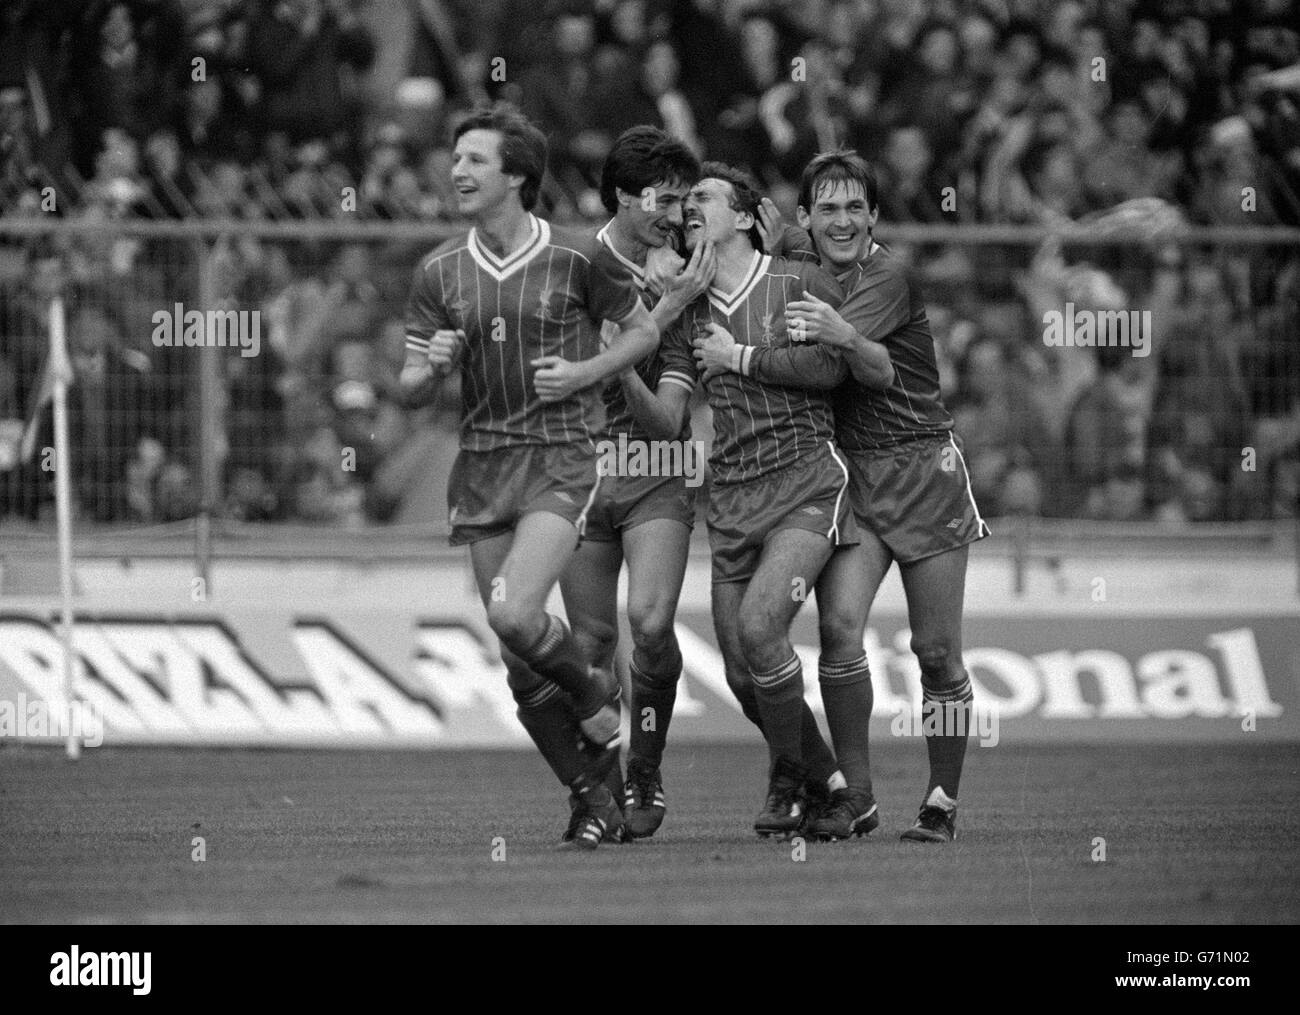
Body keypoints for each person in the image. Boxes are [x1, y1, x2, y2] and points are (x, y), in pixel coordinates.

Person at [698, 151, 988, 842]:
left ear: (876, 216)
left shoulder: (884, 274)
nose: (844, 219)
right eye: (827, 207)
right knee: (837, 630)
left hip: (924, 471)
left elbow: (845, 364)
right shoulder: (798, 271)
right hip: (853, 475)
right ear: (804, 216)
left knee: (936, 649)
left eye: (856, 206)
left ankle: (942, 798)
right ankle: (854, 795)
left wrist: (749, 351)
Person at [399, 106, 659, 850]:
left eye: (475, 160)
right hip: (482, 465)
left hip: (561, 456)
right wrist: (432, 367)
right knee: (517, 666)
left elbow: (642, 331)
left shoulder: (578, 257)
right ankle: (593, 797)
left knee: (515, 615)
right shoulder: (439, 271)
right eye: (455, 159)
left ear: (516, 174)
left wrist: (585, 370)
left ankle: (592, 689)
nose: (457, 171)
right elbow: (410, 380)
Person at [626, 161, 864, 838]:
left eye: (705, 199)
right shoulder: (688, 308)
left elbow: (832, 366)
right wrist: (619, 354)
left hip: (806, 485)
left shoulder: (796, 279)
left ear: (743, 217)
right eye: (688, 202)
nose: (690, 209)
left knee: (762, 628)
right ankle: (834, 790)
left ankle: (787, 783)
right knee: (739, 671)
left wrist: (741, 359)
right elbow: (668, 417)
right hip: (730, 498)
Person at [557, 125, 711, 840]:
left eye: (684, 200)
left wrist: (628, 346)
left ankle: (646, 764)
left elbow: (668, 422)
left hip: (655, 472)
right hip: (581, 473)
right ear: (622, 197)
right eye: (664, 198)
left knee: (649, 623)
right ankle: (602, 794)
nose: (676, 213)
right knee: (588, 642)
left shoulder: (684, 271)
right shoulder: (568, 267)